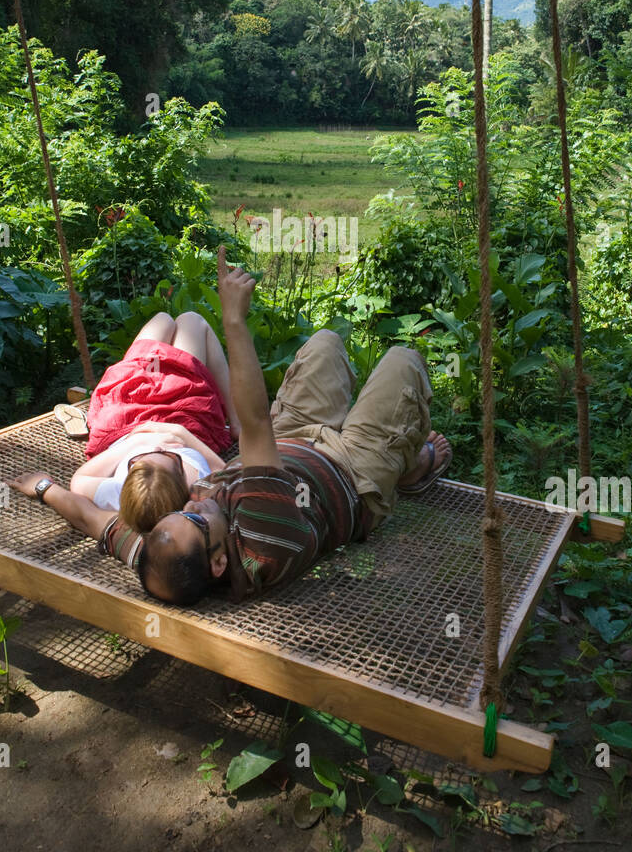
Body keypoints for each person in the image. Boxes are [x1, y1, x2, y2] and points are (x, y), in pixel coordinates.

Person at [95, 247, 450, 604]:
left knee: (326, 343)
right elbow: (254, 423)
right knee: (403, 362)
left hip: (288, 442)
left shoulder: (168, 554)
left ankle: (381, 441)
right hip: (352, 472)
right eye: (197, 520)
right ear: (220, 563)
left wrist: (44, 487)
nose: (190, 506)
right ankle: (405, 471)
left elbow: (101, 524)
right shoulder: (260, 539)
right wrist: (233, 319)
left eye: (177, 513)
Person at [8, 309, 238, 533]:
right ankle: (236, 422)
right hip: (185, 412)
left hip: (129, 413)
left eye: (137, 462)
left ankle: (157, 368)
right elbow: (224, 471)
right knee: (193, 321)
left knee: (162, 320)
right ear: (182, 481)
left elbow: (78, 480)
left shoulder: (117, 493)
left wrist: (136, 444)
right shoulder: (197, 485)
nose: (156, 447)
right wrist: (178, 433)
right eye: (171, 457)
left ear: (126, 482)